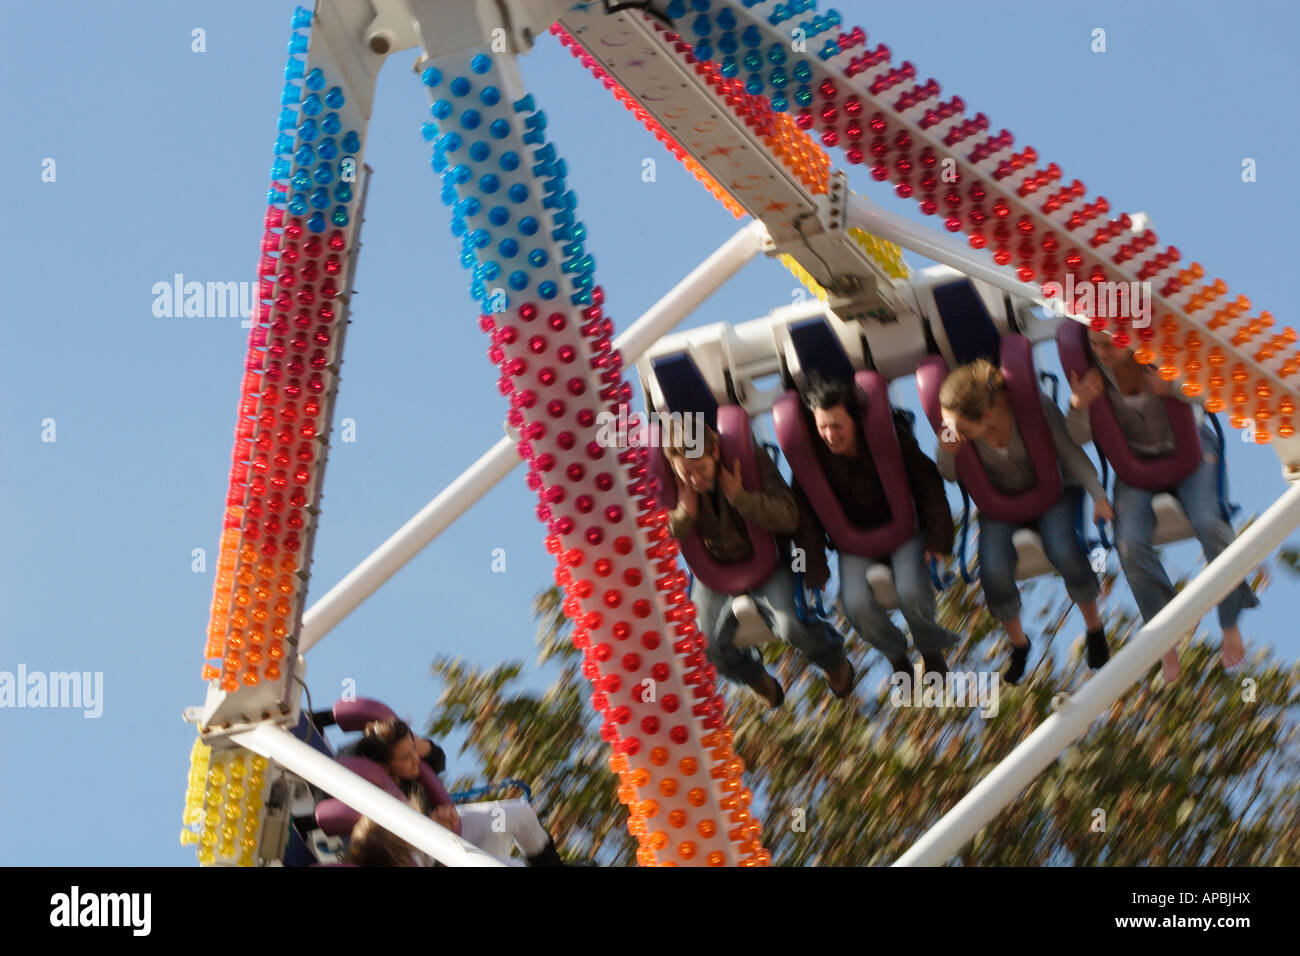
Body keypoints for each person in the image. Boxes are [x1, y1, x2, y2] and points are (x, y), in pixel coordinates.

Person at [1066, 328, 1258, 682]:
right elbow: (1078, 436)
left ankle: (1230, 620)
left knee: (1209, 523)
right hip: (1137, 465)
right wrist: (1078, 406)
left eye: (1109, 343)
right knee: (1129, 543)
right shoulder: (1096, 375)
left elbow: (1210, 395)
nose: (1102, 351)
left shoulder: (1161, 357)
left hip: (1192, 454)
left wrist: (1174, 388)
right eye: (1095, 344)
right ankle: (1166, 634)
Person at [937, 358, 1114, 684]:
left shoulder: (1032, 408)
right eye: (950, 426)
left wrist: (1099, 495)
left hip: (1053, 491)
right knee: (992, 569)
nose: (955, 433)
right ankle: (1019, 644)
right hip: (1004, 504)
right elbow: (948, 473)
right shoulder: (958, 430)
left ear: (986, 415)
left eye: (961, 428)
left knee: (1064, 548)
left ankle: (1094, 628)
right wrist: (947, 449)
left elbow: (1070, 450)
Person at [665, 421, 855, 706]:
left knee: (792, 626)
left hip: (768, 564)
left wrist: (742, 499)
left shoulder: (751, 461)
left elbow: (790, 516)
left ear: (715, 452)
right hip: (716, 573)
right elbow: (654, 534)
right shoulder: (674, 486)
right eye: (686, 473)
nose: (695, 480)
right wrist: (682, 515)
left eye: (700, 469)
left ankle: (833, 660)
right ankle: (755, 678)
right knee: (704, 644)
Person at [792, 377, 963, 678]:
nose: (830, 435)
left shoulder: (888, 438)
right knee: (853, 605)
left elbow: (929, 483)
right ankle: (896, 656)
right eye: (823, 428)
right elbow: (805, 522)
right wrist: (813, 569)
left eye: (837, 426)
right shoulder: (813, 461)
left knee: (911, 590)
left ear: (855, 421)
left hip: (904, 533)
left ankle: (930, 650)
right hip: (855, 542)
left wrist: (937, 539)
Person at [356, 717, 563, 867]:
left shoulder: (411, 768)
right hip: (432, 854)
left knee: (521, 813)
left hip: (452, 829)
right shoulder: (379, 794)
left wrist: (421, 746)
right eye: (406, 758)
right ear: (385, 766)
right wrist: (433, 828)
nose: (415, 760)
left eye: (413, 751)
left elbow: (437, 760)